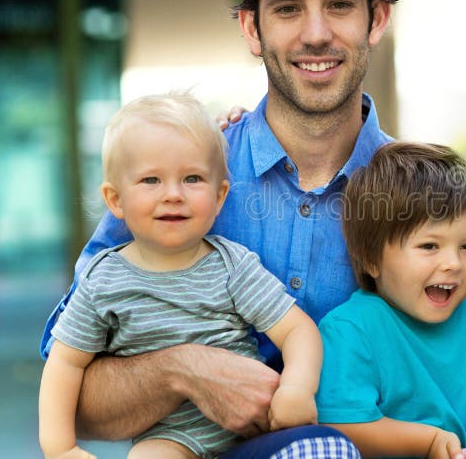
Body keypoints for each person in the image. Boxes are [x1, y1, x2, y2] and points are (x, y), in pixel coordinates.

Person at [40, 0, 466, 456]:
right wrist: (183, 370)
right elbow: (71, 394)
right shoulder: (175, 182)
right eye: (287, 9)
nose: (315, 34)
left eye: (338, 5)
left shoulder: (441, 199)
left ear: (375, 19)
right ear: (252, 29)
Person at [38, 94, 323, 459]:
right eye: (151, 180)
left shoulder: (231, 265)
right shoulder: (103, 280)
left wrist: (297, 388)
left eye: (192, 178)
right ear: (115, 200)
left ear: (220, 197)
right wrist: (60, 448)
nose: (173, 194)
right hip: (171, 438)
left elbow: (298, 330)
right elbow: (65, 363)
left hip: (251, 427)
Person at [317, 142, 466, 459]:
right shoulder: (350, 329)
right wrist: (429, 442)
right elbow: (343, 426)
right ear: (370, 259)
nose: (454, 263)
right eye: (430, 246)